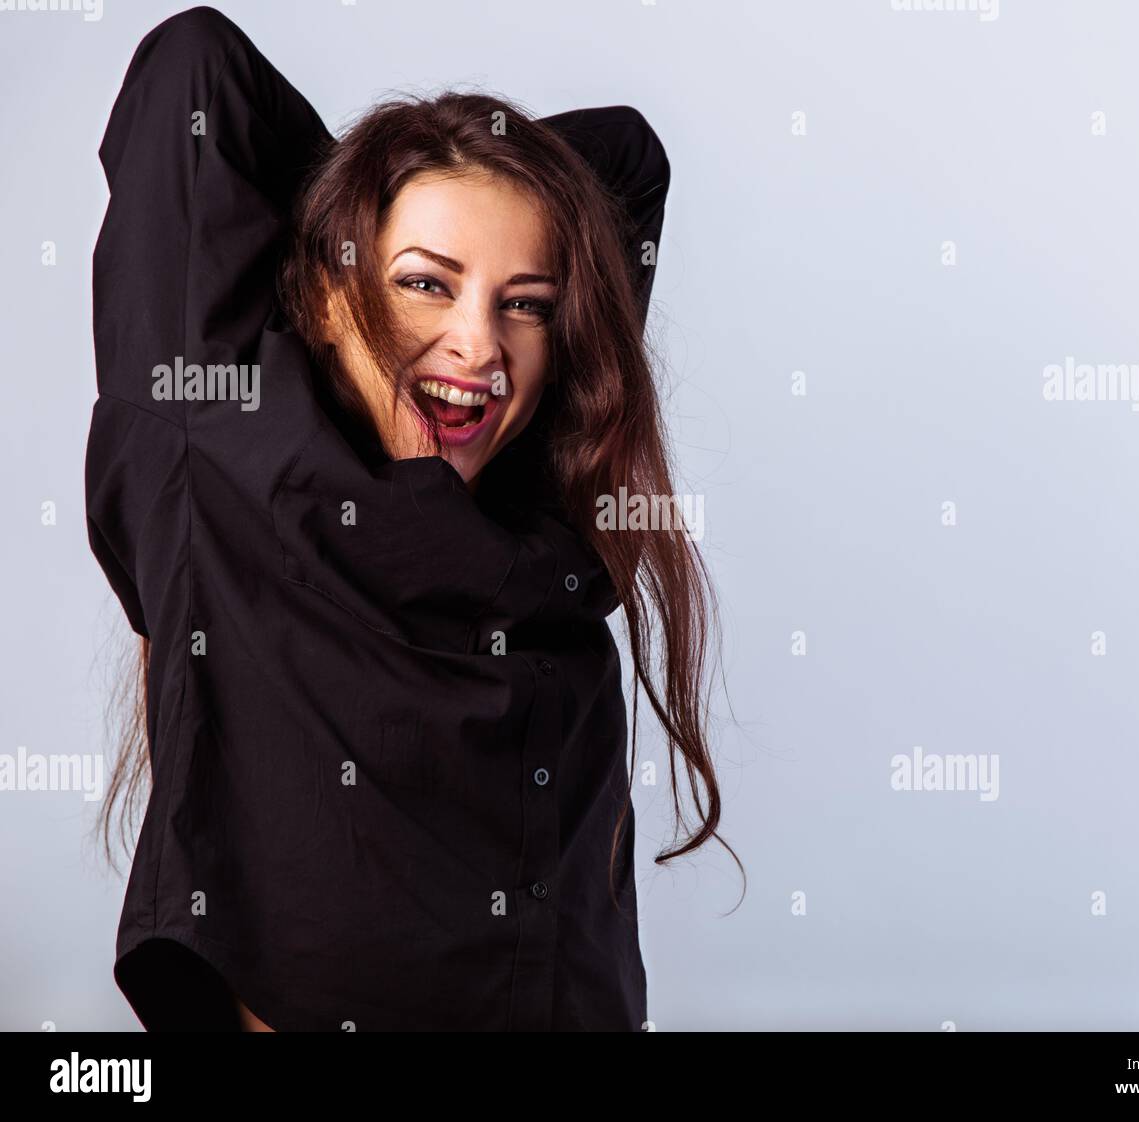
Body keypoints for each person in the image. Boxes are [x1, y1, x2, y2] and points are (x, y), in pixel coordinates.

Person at [87, 5, 737, 1031]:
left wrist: (441, 183)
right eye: (425, 285)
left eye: (524, 303)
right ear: (328, 297)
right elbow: (194, 64)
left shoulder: (553, 532)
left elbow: (627, 152)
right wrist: (357, 201)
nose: (479, 343)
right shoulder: (219, 461)